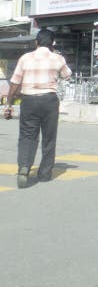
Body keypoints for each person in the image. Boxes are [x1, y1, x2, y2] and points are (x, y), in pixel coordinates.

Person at [4, 29, 72, 188]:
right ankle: (45, 174)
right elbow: (67, 75)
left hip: (28, 100)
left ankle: (24, 167)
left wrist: (8, 104)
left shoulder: (25, 58)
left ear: (36, 42)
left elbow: (15, 83)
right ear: (52, 44)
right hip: (49, 101)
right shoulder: (58, 58)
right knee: (49, 138)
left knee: (27, 135)